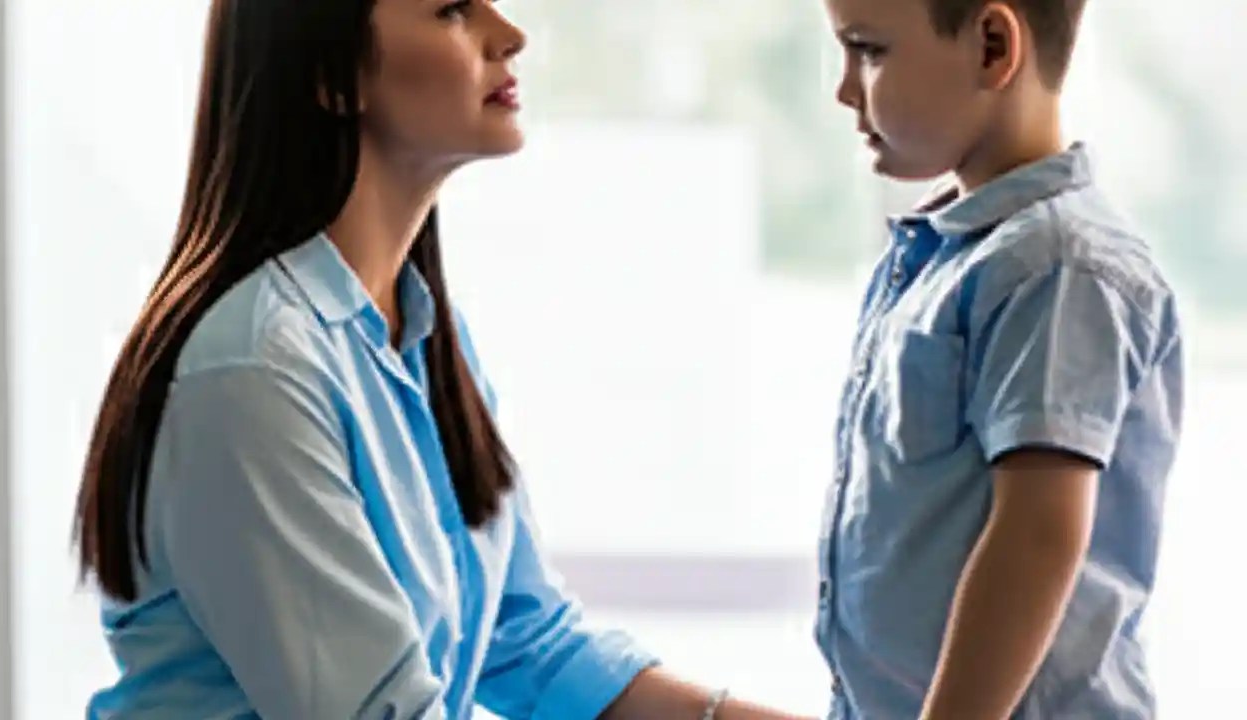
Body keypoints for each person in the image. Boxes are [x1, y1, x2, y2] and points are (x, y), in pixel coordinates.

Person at [73, 1, 815, 718]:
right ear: (334, 77)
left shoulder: (421, 332)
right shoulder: (253, 371)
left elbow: (530, 646)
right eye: (455, 9)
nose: (512, 34)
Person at [815, 0, 1182, 717]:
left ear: (991, 46)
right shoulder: (941, 260)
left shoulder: (1059, 266)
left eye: (868, 51)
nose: (844, 89)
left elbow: (1038, 533)